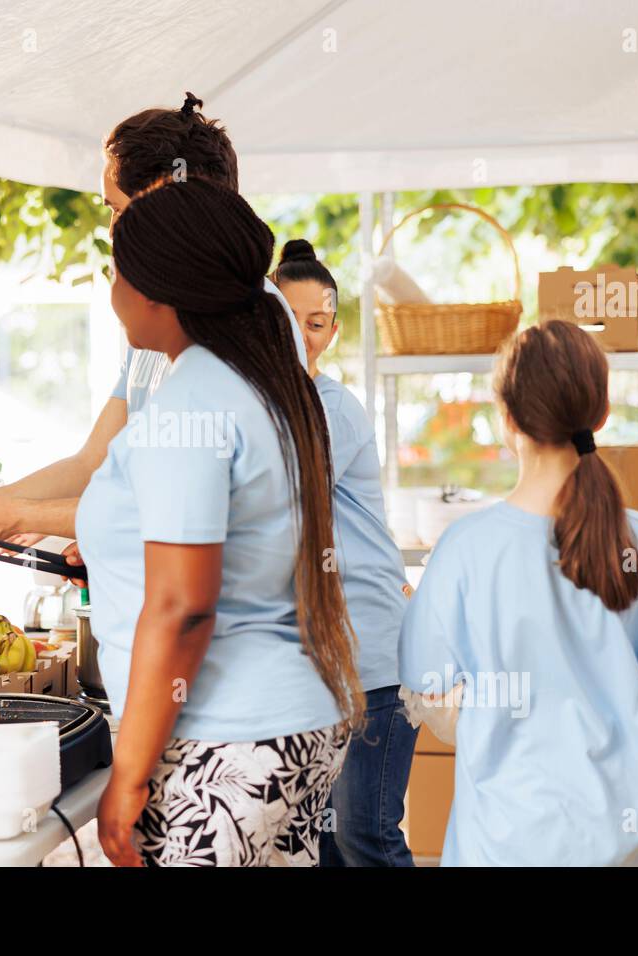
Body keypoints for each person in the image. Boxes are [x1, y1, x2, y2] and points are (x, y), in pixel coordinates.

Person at [77, 177, 363, 867]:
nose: (111, 291)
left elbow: (182, 607)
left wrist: (131, 774)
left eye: (116, 274)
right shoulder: (266, 384)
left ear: (156, 291)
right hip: (297, 723)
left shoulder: (188, 407)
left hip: (225, 742)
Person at [0, 93, 306, 555]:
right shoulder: (161, 326)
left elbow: (178, 504)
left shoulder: (245, 324)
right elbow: (96, 462)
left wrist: (13, 515)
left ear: (168, 201)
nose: (112, 233)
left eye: (117, 209)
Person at [397, 320, 638, 866]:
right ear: (601, 415)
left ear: (506, 419)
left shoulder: (464, 549)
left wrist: (421, 613)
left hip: (498, 847)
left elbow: (426, 681)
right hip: (619, 847)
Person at [272, 239, 417, 867]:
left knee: (365, 837)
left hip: (373, 661)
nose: (303, 336)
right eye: (288, 319)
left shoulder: (335, 409)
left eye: (317, 322)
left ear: (333, 329)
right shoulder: (263, 405)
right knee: (325, 845)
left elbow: (275, 503)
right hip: (320, 665)